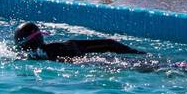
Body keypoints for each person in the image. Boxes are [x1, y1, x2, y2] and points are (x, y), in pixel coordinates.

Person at [12, 22, 187, 73]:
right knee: (153, 66)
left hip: (97, 66)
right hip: (99, 61)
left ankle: (183, 67)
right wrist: (138, 52)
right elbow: (108, 43)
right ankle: (184, 66)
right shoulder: (63, 46)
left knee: (151, 70)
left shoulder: (32, 59)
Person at [13, 22, 143, 60]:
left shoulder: (26, 57)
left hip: (88, 65)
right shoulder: (62, 47)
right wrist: (135, 52)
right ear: (40, 36)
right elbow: (109, 43)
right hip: (92, 61)